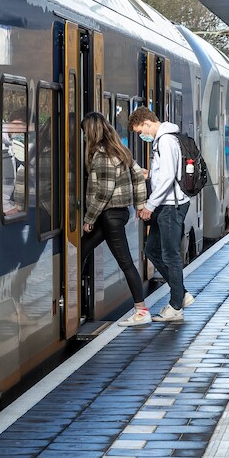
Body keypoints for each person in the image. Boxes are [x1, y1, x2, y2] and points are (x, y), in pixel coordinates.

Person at [80, 112, 151, 327]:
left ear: (91, 132)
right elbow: (138, 176)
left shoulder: (101, 154)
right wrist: (140, 204)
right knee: (81, 250)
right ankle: (76, 300)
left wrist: (89, 218)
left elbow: (104, 191)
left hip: (109, 215)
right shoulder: (120, 149)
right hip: (118, 214)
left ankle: (141, 310)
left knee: (125, 262)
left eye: (85, 132)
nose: (84, 137)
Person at [128, 106, 195, 321]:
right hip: (166, 204)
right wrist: (149, 174)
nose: (142, 136)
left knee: (170, 255)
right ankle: (181, 294)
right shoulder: (164, 139)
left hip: (170, 206)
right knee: (152, 250)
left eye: (141, 131)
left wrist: (149, 206)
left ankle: (176, 306)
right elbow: (166, 173)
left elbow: (167, 178)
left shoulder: (165, 140)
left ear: (147, 123)